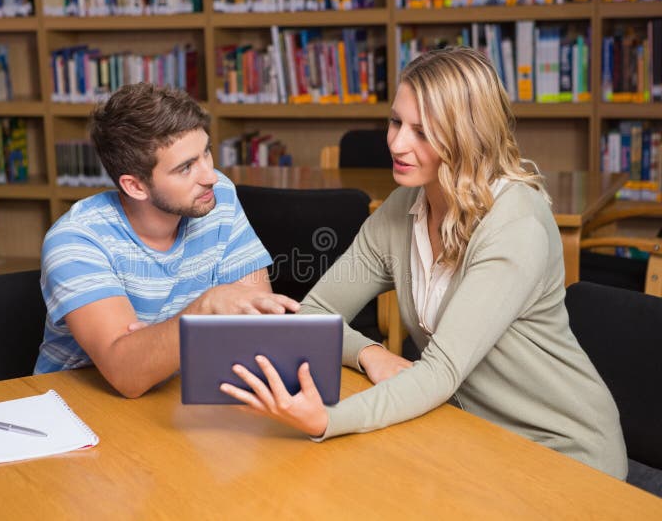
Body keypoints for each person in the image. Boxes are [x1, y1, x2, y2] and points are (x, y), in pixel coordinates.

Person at [219, 47, 628, 479]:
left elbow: (440, 373)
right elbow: (314, 315)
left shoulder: (515, 225)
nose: (396, 143)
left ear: (467, 135)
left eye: (422, 131)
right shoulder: (403, 209)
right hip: (470, 434)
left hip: (562, 453)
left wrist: (327, 420)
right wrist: (371, 354)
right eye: (396, 122)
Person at [35, 83, 299, 398]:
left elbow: (254, 326)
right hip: (80, 408)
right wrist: (206, 308)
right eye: (186, 167)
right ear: (135, 186)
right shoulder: (76, 240)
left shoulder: (217, 197)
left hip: (181, 390)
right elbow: (128, 375)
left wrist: (155, 344)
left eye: (207, 152)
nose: (210, 175)